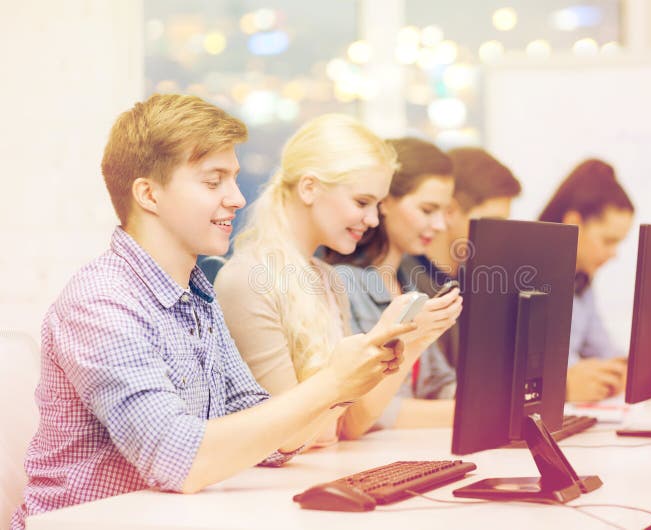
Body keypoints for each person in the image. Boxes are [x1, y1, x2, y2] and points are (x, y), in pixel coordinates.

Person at [10, 95, 412, 529]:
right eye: (213, 181)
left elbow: (276, 438)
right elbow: (179, 460)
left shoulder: (197, 298)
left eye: (234, 179)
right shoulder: (101, 303)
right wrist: (332, 382)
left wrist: (345, 382)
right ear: (148, 194)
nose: (237, 198)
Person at [215, 116, 455, 442]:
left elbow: (348, 426)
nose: (372, 220)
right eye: (361, 202)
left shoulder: (327, 281)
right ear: (309, 188)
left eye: (376, 205)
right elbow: (284, 439)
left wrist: (405, 342)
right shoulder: (247, 280)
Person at [326, 137, 462, 428]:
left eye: (443, 211)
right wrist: (477, 414)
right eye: (427, 210)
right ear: (385, 202)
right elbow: (364, 412)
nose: (439, 225)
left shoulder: (411, 285)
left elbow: (440, 383)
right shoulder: (342, 283)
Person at [402, 147, 522, 368]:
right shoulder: (404, 281)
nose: (501, 234)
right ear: (451, 211)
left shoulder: (479, 280)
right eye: (493, 221)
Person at [538, 159, 633, 402]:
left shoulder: (581, 282)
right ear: (574, 222)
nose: (614, 254)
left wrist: (647, 369)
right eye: (608, 241)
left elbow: (604, 351)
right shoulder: (523, 278)